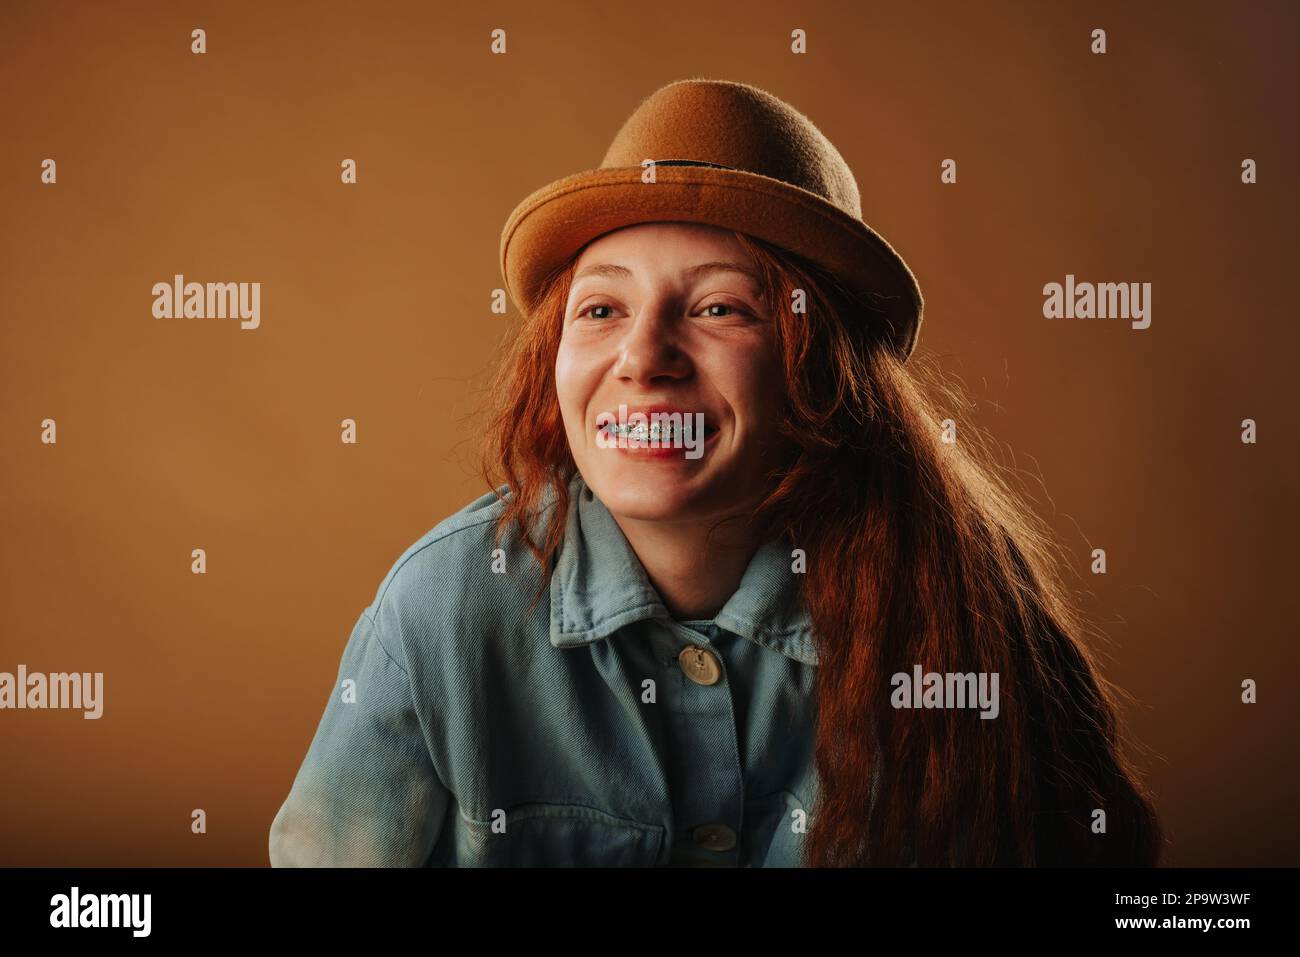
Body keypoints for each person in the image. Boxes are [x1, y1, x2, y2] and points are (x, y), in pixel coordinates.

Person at [268, 77, 1162, 867]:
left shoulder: (965, 609)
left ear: (823, 374)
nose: (643, 356)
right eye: (603, 307)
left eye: (720, 306)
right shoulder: (441, 609)